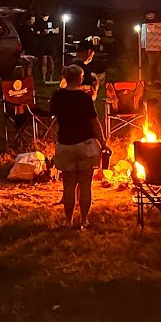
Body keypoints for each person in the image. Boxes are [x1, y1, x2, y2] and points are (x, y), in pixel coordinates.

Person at [50, 64, 110, 229]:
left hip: (66, 144)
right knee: (85, 185)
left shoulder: (57, 96)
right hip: (86, 145)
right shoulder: (85, 98)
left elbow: (54, 114)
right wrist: (103, 143)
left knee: (68, 186)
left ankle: (68, 221)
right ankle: (83, 220)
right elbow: (94, 123)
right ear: (79, 79)